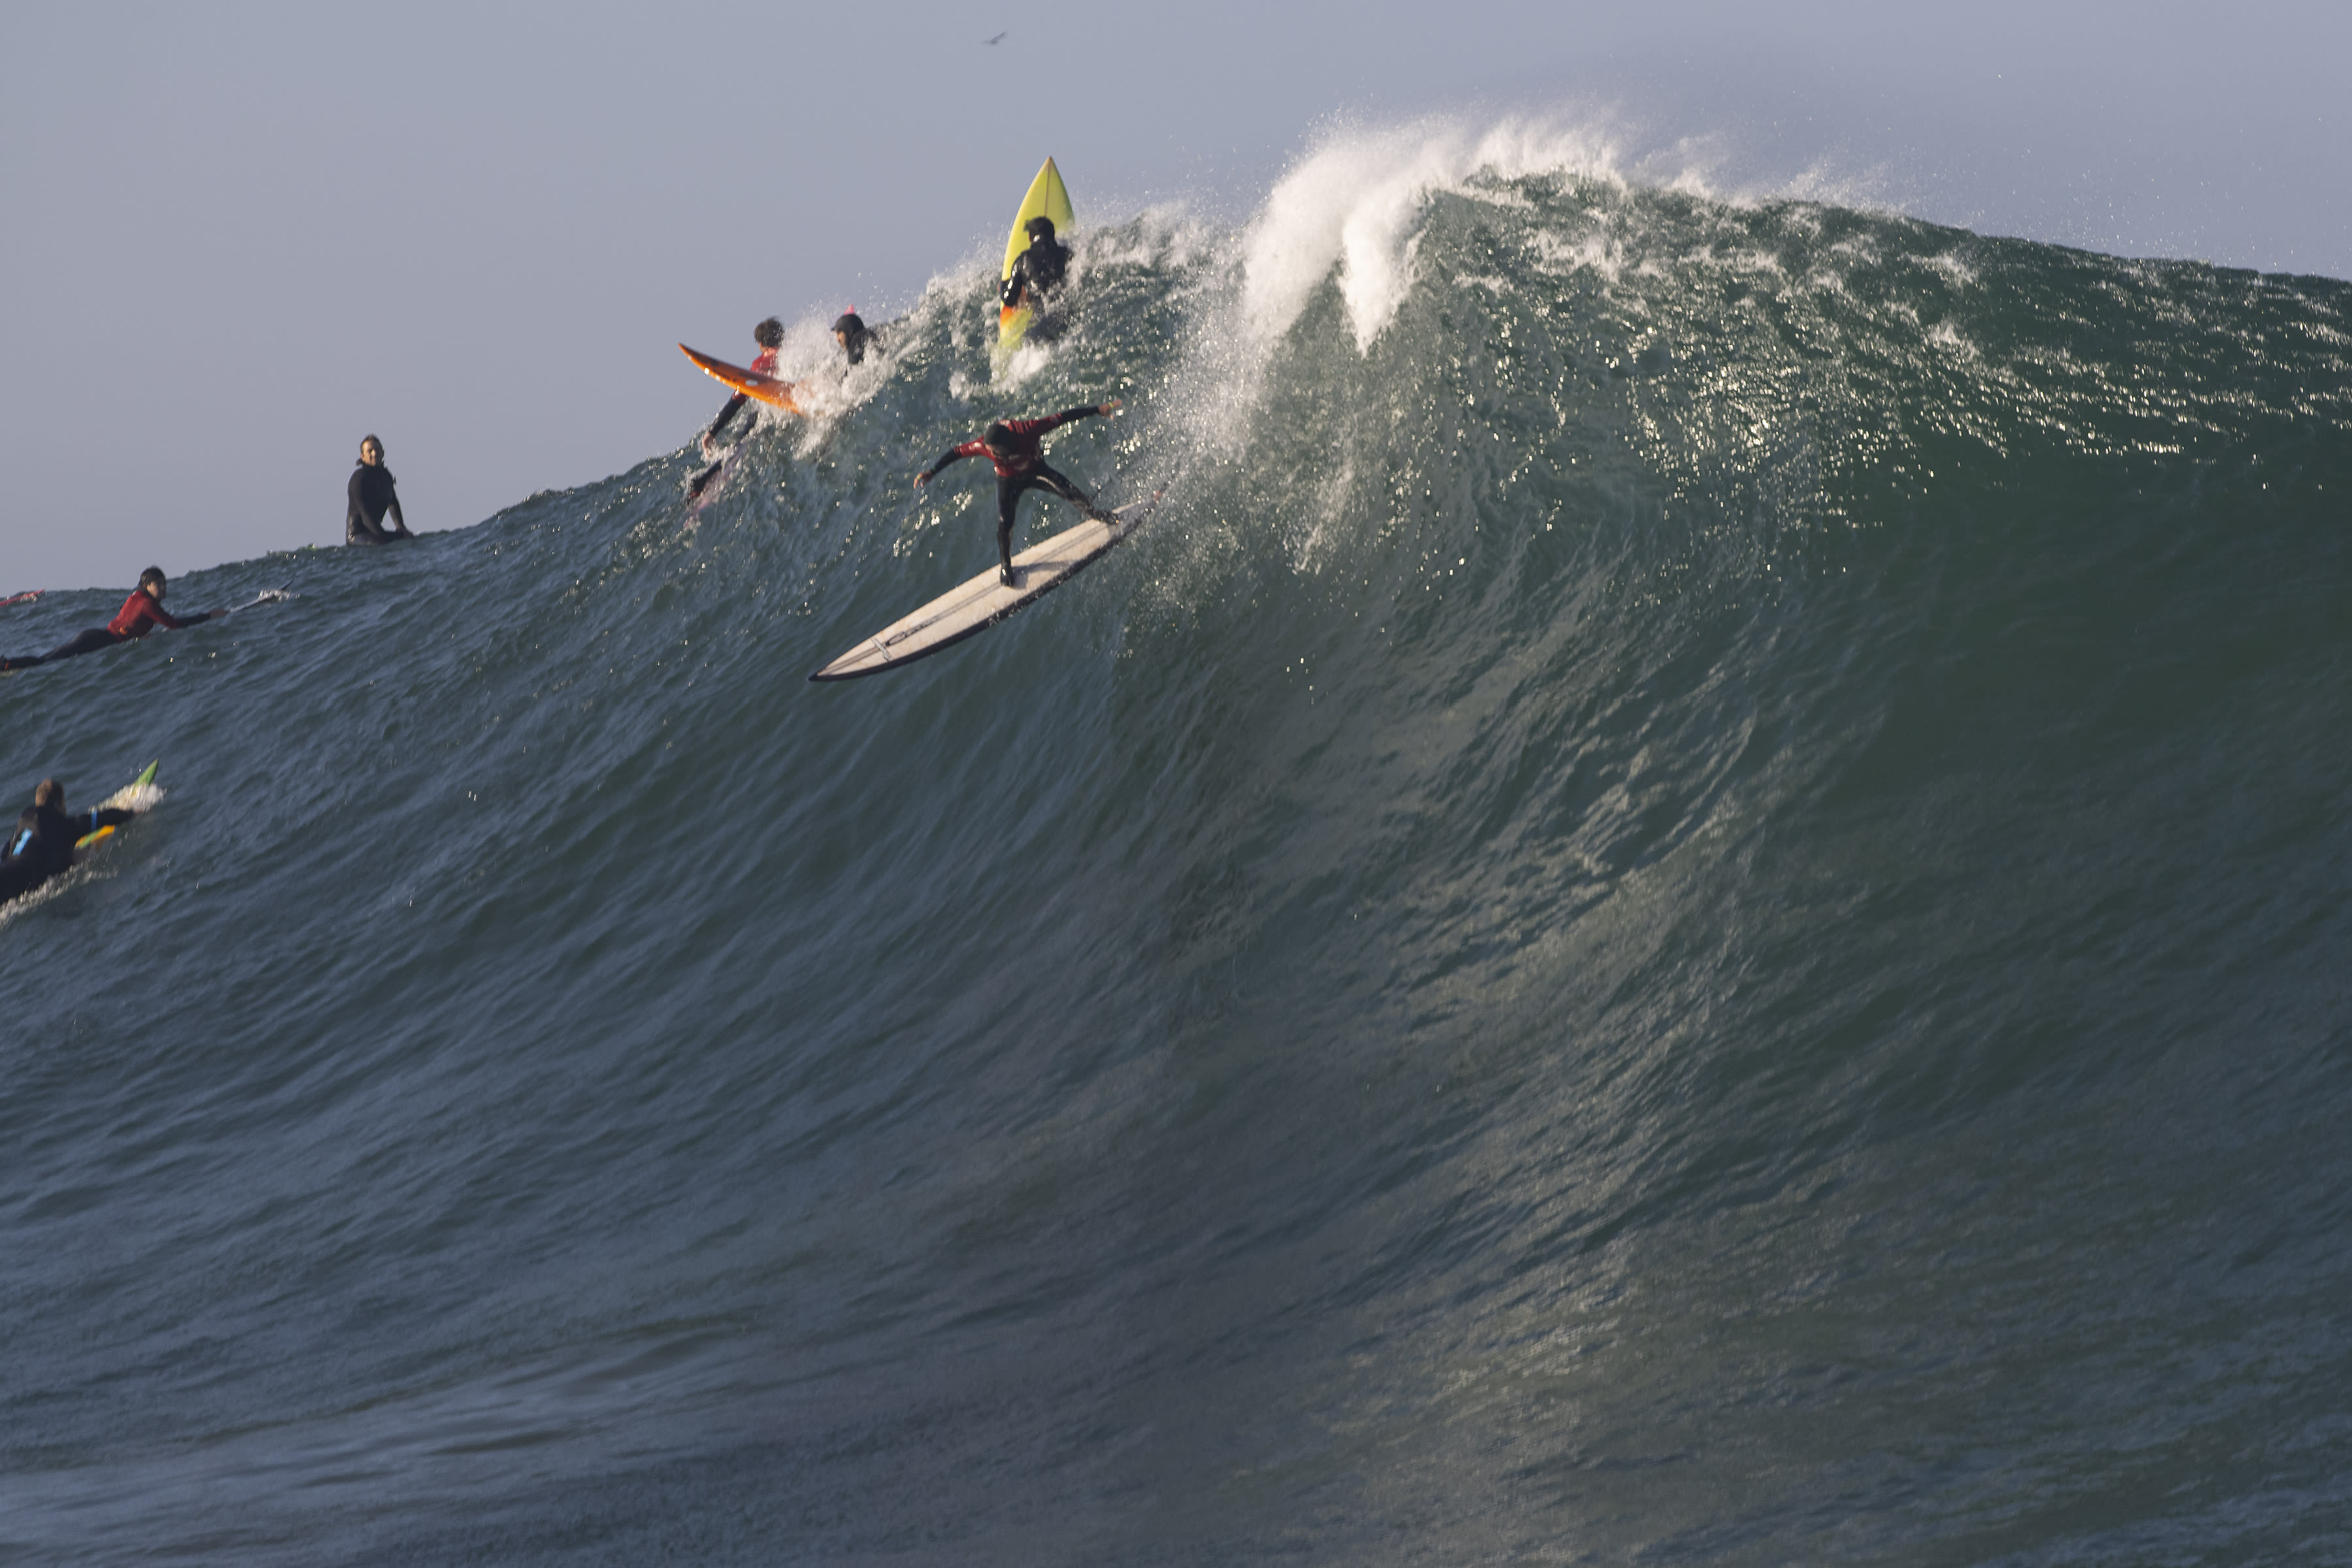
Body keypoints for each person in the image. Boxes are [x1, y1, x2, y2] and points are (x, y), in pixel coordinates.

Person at [914, 400, 1124, 586]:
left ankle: (1097, 514)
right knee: (1005, 522)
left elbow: (1063, 417)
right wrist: (932, 471)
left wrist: (1098, 409)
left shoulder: (1028, 430)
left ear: (1007, 445)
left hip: (1036, 470)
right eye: (990, 451)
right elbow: (957, 452)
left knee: (1072, 493)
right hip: (1009, 481)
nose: (991, 455)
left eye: (995, 452)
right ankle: (1006, 565)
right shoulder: (984, 445)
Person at [0, 568, 219, 671]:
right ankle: (7, 664)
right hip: (100, 640)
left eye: (164, 584)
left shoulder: (137, 596)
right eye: (158, 584)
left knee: (46, 658)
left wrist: (136, 635)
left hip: (95, 637)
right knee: (44, 662)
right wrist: (209, 615)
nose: (163, 588)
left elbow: (131, 622)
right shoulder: (147, 603)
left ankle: (7, 664)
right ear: (147, 586)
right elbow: (174, 625)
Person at [0, 778, 137, 904]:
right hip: (18, 884)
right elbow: (103, 818)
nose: (65, 810)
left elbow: (6, 850)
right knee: (77, 857)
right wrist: (132, 814)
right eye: (64, 804)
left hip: (6, 871)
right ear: (57, 805)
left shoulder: (25, 818)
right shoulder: (60, 825)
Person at [700, 317, 786, 459]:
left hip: (769, 412)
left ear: (761, 343)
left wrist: (712, 432)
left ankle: (731, 458)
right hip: (791, 400)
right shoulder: (791, 355)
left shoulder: (759, 364)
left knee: (751, 421)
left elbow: (738, 399)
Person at [347, 434, 414, 546]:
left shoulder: (386, 477)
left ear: (383, 453)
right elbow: (365, 516)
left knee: (408, 538)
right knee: (381, 543)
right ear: (362, 456)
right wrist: (384, 536)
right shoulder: (358, 479)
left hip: (375, 533)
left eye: (377, 450)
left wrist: (401, 528)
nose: (374, 453)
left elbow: (393, 503)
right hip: (356, 536)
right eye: (370, 451)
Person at [1000, 216, 1071, 315]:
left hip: (1042, 314)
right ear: (1053, 235)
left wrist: (1002, 285)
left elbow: (1009, 299)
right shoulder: (1067, 254)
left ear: (1030, 238)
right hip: (1065, 311)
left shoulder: (1022, 261)